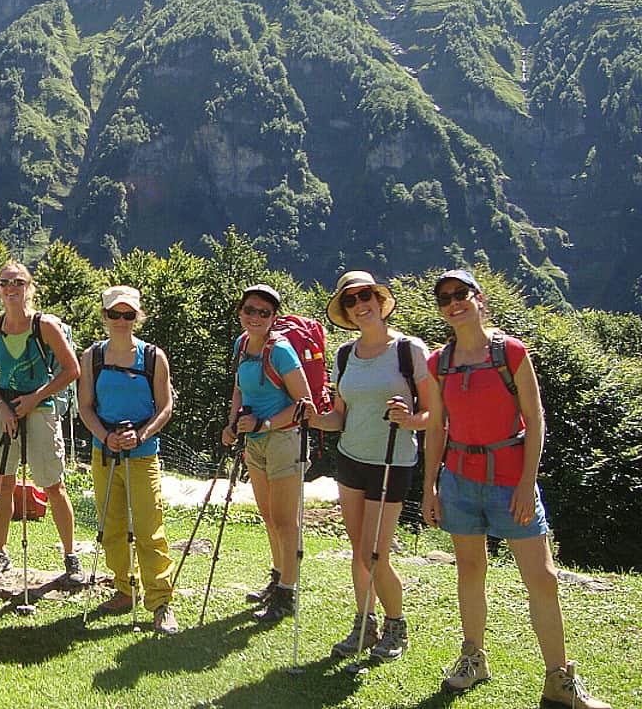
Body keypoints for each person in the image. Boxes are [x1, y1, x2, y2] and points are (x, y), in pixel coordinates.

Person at [422, 270, 610, 708]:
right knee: (470, 570)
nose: (453, 303)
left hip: (510, 482)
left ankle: (559, 679)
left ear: (479, 297)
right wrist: (430, 487)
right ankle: (473, 658)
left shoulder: (511, 352)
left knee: (542, 577)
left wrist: (527, 484)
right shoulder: (438, 363)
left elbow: (535, 419)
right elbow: (436, 427)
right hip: (459, 480)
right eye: (445, 298)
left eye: (461, 294)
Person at [312, 271, 430, 661]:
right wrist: (314, 418)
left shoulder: (409, 350)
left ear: (380, 301)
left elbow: (435, 413)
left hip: (391, 461)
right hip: (351, 459)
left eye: (366, 296)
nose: (360, 305)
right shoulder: (345, 355)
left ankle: (395, 626)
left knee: (374, 554)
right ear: (345, 311)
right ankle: (364, 625)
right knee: (359, 551)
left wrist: (410, 420)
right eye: (350, 301)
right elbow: (339, 417)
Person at [77, 286, 177, 634]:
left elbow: (165, 407)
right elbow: (85, 407)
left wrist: (141, 435)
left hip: (142, 455)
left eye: (128, 314)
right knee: (112, 527)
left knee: (149, 529)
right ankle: (124, 588)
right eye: (115, 314)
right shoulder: (91, 357)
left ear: (137, 316)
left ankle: (160, 602)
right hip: (104, 453)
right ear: (104, 316)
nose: (121, 320)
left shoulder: (153, 357)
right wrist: (106, 437)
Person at [0, 261, 83, 584]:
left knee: (53, 485)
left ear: (29, 287)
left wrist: (35, 398)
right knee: (3, 484)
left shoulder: (44, 325)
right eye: (5, 282)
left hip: (40, 410)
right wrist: (2, 407)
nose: (11, 288)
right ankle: (0, 552)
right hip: (5, 410)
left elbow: (72, 370)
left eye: (18, 282)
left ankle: (71, 556)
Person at [220, 283, 315, 622]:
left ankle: (287, 592)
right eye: (250, 310)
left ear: (274, 317)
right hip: (256, 441)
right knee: (269, 516)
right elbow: (239, 389)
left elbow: (305, 405)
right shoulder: (242, 344)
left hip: (284, 440)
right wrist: (233, 423)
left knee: (287, 521)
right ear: (240, 312)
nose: (255, 317)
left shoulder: (282, 351)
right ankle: (277, 579)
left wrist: (265, 424)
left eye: (264, 312)